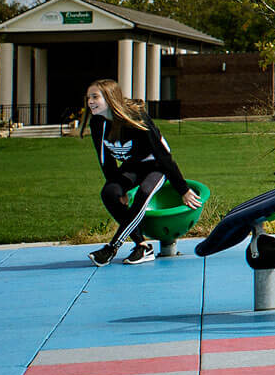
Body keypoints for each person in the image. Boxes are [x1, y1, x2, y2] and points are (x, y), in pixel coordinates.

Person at [81, 79, 198, 266]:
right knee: (109, 193)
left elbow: (162, 154)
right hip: (132, 166)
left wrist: (182, 189)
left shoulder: (136, 117)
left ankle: (112, 247)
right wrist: (120, 189)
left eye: (95, 96)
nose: (90, 102)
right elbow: (106, 160)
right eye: (88, 97)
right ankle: (142, 246)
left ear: (110, 98)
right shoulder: (97, 123)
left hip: (156, 165)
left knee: (144, 193)